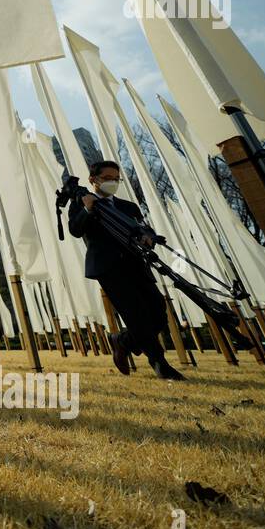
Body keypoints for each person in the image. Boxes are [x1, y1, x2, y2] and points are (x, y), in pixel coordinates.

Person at [68, 160, 186, 381]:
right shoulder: (81, 202)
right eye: (107, 178)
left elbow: (145, 227)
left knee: (158, 313)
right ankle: (159, 363)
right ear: (93, 180)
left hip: (137, 264)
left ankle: (123, 341)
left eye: (116, 178)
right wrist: (87, 208)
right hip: (108, 268)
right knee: (136, 315)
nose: (113, 182)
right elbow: (75, 230)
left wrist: (148, 237)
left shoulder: (128, 207)